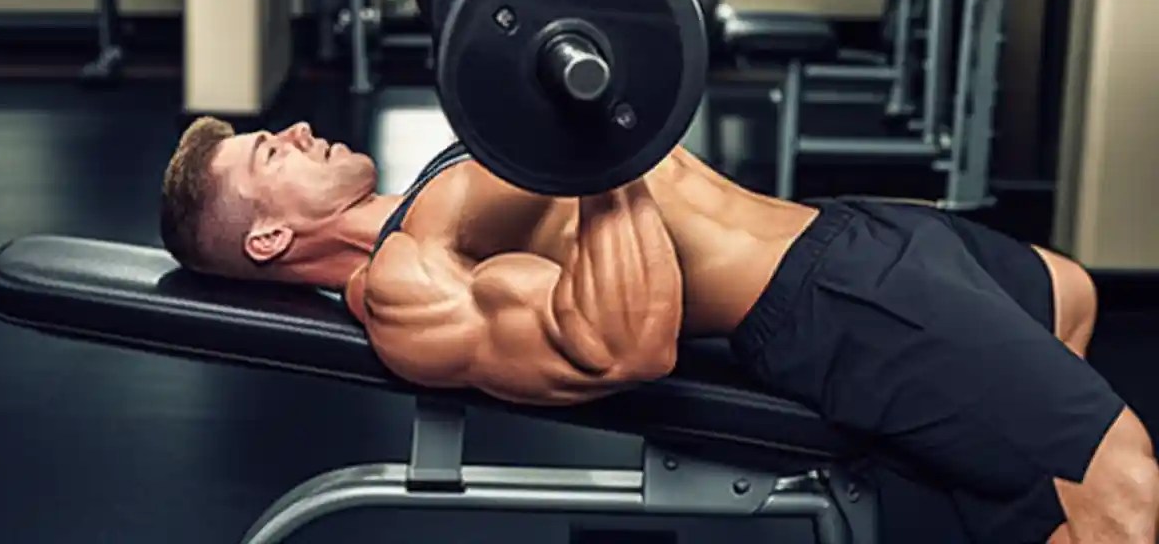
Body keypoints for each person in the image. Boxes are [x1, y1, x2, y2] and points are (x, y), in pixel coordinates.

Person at [160, 116, 1159, 544]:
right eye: (268, 154)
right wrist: (604, 140)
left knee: (1066, 297)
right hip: (825, 300)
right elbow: (621, 345)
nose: (294, 133)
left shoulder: (429, 191)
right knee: (1118, 482)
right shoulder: (408, 283)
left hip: (848, 231)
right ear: (269, 237)